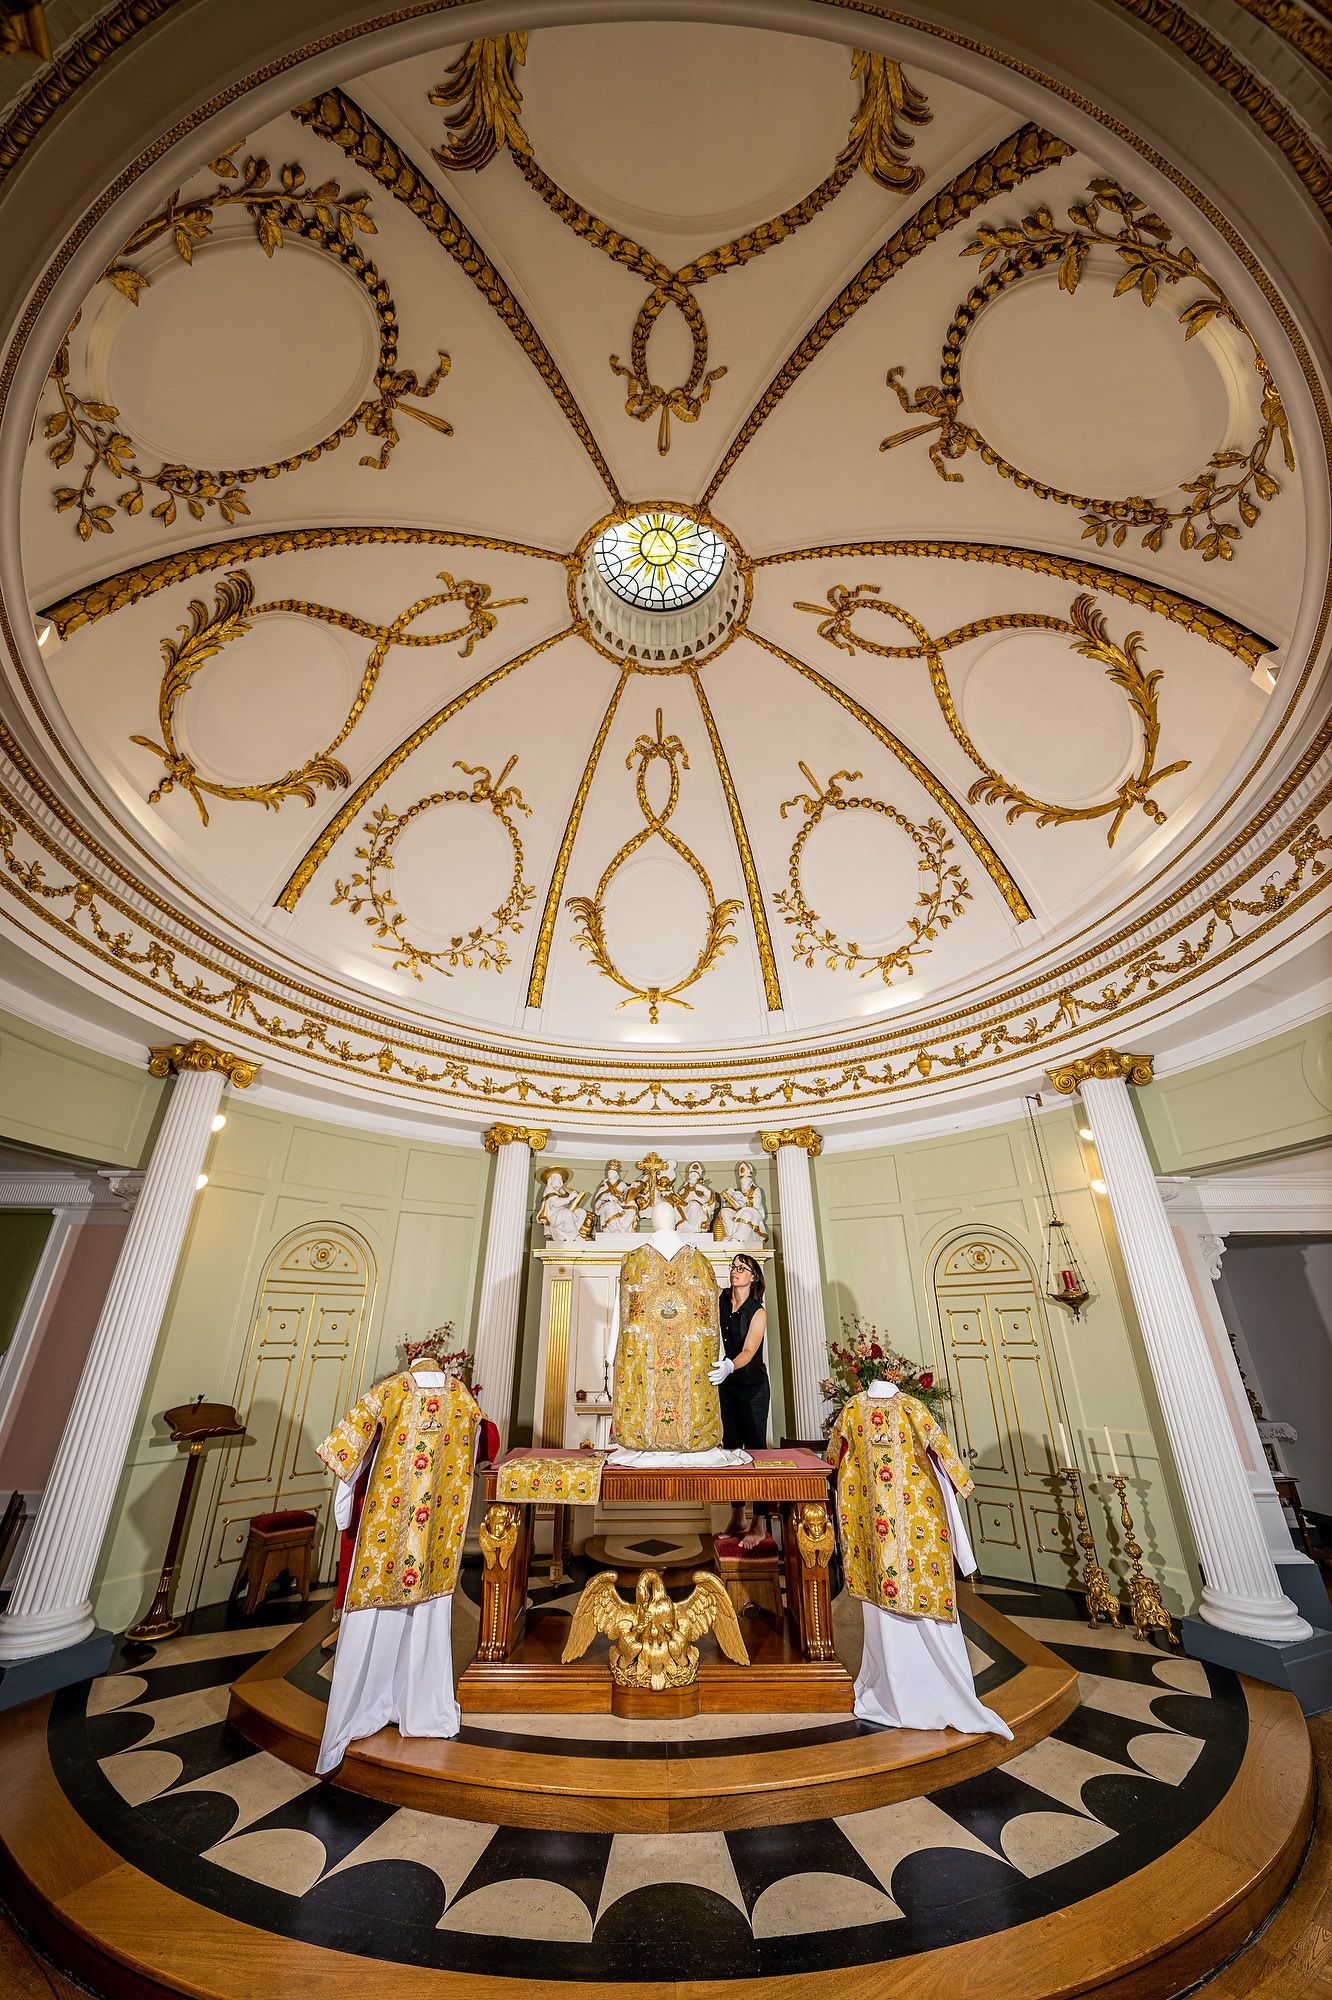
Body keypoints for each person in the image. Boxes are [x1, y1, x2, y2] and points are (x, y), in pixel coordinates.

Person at [314, 1337, 486, 1774]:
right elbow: (483, 1443)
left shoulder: (390, 1391)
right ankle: (423, 1711)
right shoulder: (461, 1396)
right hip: (436, 1539)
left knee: (375, 1615)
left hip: (386, 1533)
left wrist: (343, 1509)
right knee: (425, 1618)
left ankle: (361, 1710)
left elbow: (345, 1450)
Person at [827, 1375, 1011, 1738]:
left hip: (874, 1528)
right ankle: (924, 1692)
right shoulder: (911, 1407)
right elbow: (943, 1450)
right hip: (914, 1527)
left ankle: (895, 1695)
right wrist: (961, 1482)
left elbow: (832, 1459)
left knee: (886, 1606)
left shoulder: (851, 1409)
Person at [710, 1253, 772, 1548]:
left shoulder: (757, 1312)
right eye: (733, 1267)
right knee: (732, 1450)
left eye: (742, 1268)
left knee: (756, 1453)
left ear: (753, 1277)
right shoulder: (721, 1299)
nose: (735, 1271)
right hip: (728, 1387)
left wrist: (729, 1366)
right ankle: (737, 1517)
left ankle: (759, 1522)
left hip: (753, 1388)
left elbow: (748, 1351)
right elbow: (700, 1286)